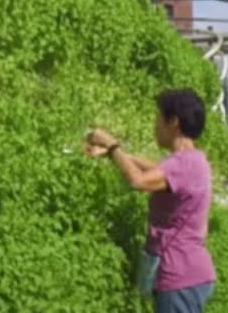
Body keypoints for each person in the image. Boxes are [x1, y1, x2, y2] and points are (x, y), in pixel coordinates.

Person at [85, 89, 216, 313]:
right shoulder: (192, 161)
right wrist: (112, 153)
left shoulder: (183, 164)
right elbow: (157, 171)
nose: (155, 125)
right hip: (191, 274)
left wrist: (112, 144)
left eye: (158, 118)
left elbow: (138, 181)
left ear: (173, 122)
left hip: (180, 276)